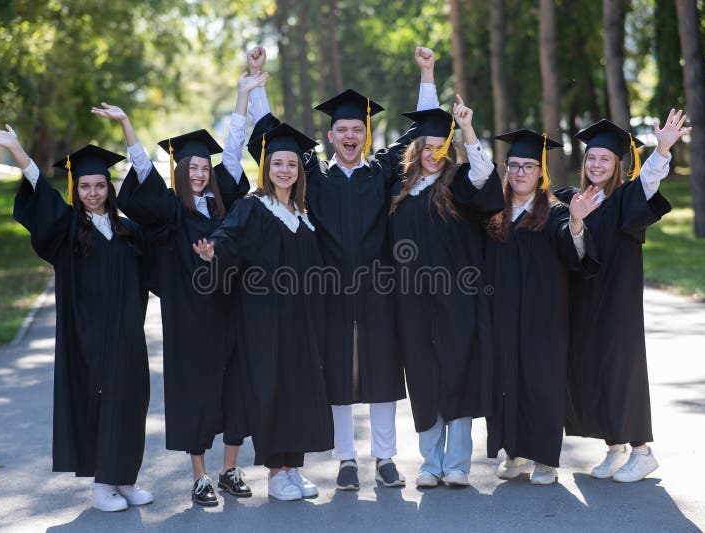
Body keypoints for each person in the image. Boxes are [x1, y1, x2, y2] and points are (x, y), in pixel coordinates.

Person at [245, 45, 436, 490]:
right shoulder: (314, 174)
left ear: (365, 134)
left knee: (382, 373)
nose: (350, 135)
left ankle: (385, 458)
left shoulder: (382, 171)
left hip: (377, 290)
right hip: (328, 291)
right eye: (343, 129)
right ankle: (346, 459)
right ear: (331, 136)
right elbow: (272, 139)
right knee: (337, 373)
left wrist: (427, 73)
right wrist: (256, 85)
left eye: (357, 129)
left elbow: (422, 130)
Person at [93, 72, 266, 506]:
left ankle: (230, 469)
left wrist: (243, 96)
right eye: (191, 168)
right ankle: (200, 475)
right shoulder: (171, 212)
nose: (200, 174)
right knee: (195, 392)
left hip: (230, 309)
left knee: (235, 387)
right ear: (180, 171)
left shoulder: (223, 205)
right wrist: (127, 124)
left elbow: (232, 151)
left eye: (205, 168)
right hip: (189, 318)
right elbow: (143, 171)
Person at [0, 127, 153, 511]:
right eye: (85, 186)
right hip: (87, 337)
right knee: (98, 404)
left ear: (110, 189)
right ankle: (102, 485)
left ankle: (125, 479)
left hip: (127, 336)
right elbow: (43, 195)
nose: (93, 193)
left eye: (100, 186)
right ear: (75, 190)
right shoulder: (69, 229)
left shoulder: (130, 232)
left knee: (130, 402)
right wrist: (19, 151)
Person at [193, 122, 333, 501]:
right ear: (266, 167)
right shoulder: (253, 206)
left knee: (299, 389)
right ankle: (275, 474)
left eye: (291, 164)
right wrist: (213, 251)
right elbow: (228, 236)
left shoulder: (303, 213)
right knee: (275, 391)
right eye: (277, 163)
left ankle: (292, 469)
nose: (284, 170)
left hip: (302, 321)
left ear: (299, 170)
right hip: (266, 321)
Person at [556, 111, 689, 483]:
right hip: (583, 299)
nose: (597, 164)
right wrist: (576, 219)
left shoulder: (626, 197)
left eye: (605, 159)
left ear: (617, 164)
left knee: (620, 373)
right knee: (589, 370)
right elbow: (571, 249)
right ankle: (615, 447)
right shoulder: (573, 199)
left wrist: (662, 151)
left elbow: (649, 180)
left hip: (618, 301)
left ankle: (642, 452)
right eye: (592, 158)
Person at [389, 96, 504, 488]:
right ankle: (430, 464)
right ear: (416, 149)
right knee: (424, 379)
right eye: (426, 147)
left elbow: (485, 175)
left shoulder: (460, 184)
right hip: (413, 301)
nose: (433, 154)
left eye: (441, 147)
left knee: (459, 374)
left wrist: (467, 127)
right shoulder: (401, 190)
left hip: (457, 298)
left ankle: (457, 464)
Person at [484, 129, 601, 485]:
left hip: (544, 318)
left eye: (528, 166)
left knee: (542, 383)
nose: (519, 172)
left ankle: (545, 460)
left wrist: (577, 221)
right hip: (503, 315)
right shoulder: (495, 212)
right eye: (513, 166)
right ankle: (514, 453)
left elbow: (573, 251)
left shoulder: (556, 213)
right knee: (506, 380)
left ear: (541, 173)